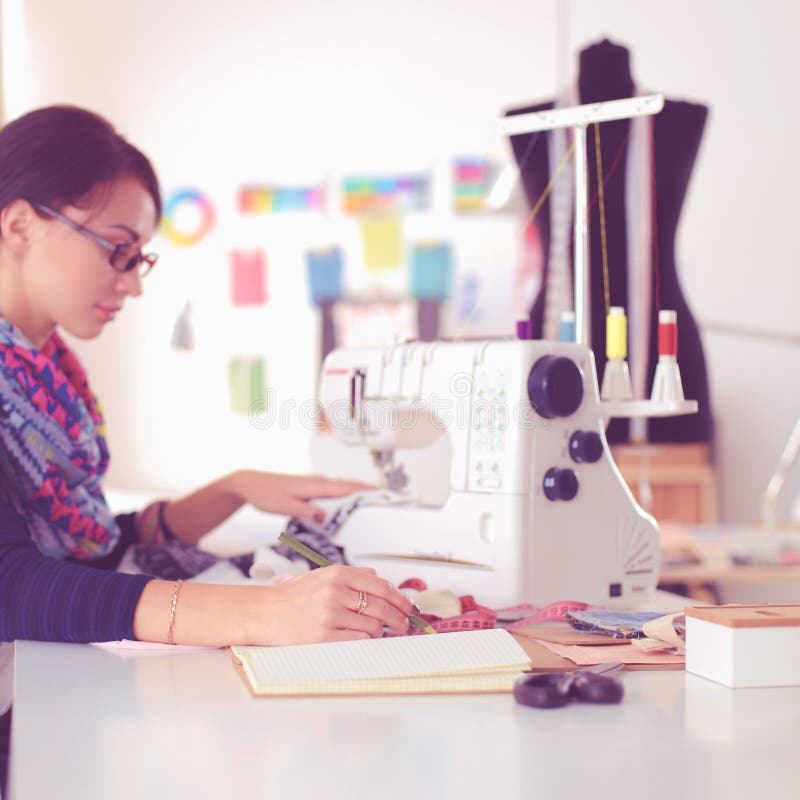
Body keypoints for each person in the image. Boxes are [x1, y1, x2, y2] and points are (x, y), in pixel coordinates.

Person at [0, 105, 415, 654]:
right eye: (117, 250)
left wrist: (234, 488)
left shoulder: (44, 377)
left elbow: (87, 549)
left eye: (139, 260)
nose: (133, 285)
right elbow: (11, 587)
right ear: (21, 224)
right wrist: (260, 613)